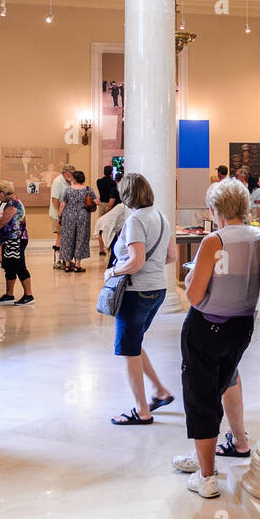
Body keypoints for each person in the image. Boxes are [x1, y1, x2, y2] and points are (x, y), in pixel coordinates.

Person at [171, 178, 260, 498]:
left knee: (200, 396)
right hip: (242, 327)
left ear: (214, 210)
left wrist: (192, 272)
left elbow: (195, 296)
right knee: (226, 378)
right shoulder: (259, 236)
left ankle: (207, 475)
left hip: (207, 326)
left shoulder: (215, 240)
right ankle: (224, 448)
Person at [107, 172, 178, 426]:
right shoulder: (161, 216)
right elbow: (171, 255)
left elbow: (136, 262)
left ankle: (142, 411)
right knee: (134, 343)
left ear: (126, 195)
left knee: (128, 349)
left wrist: (112, 270)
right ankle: (160, 391)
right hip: (157, 290)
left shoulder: (136, 220)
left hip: (136, 292)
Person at [0, 180, 34, 306]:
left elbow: (3, 221)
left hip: (16, 239)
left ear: (3, 193)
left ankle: (28, 295)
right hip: (10, 239)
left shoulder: (13, 202)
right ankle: (9, 295)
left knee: (19, 266)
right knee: (9, 267)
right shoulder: (11, 202)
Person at [59, 170, 95, 272]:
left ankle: (67, 264)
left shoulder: (68, 190)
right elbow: (97, 202)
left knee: (67, 239)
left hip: (68, 216)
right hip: (83, 217)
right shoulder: (88, 189)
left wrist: (60, 216)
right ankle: (77, 265)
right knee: (81, 238)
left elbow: (63, 204)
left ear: (74, 179)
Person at [50, 164, 75, 269]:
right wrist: (60, 215)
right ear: (65, 173)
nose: (72, 175)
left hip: (67, 215)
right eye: (71, 173)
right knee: (60, 236)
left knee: (66, 237)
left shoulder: (69, 182)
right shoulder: (58, 182)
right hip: (58, 215)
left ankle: (65, 259)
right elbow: (55, 200)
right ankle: (57, 261)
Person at [97, 197, 131, 263]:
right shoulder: (124, 207)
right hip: (107, 227)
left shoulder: (123, 207)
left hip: (108, 226)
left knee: (114, 254)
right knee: (114, 254)